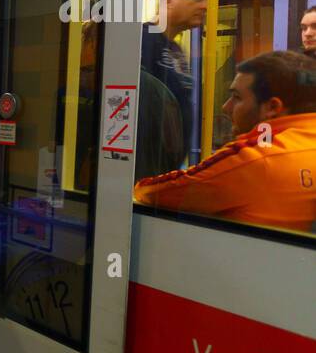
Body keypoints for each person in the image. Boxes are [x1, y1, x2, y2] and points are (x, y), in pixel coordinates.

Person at [134, 50, 316, 232]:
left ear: (272, 107)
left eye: (236, 97)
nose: (226, 106)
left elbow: (153, 192)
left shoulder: (254, 158)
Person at [142, 0, 208, 170]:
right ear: (169, 1)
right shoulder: (144, 39)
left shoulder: (176, 49)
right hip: (145, 167)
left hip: (167, 168)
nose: (204, 6)